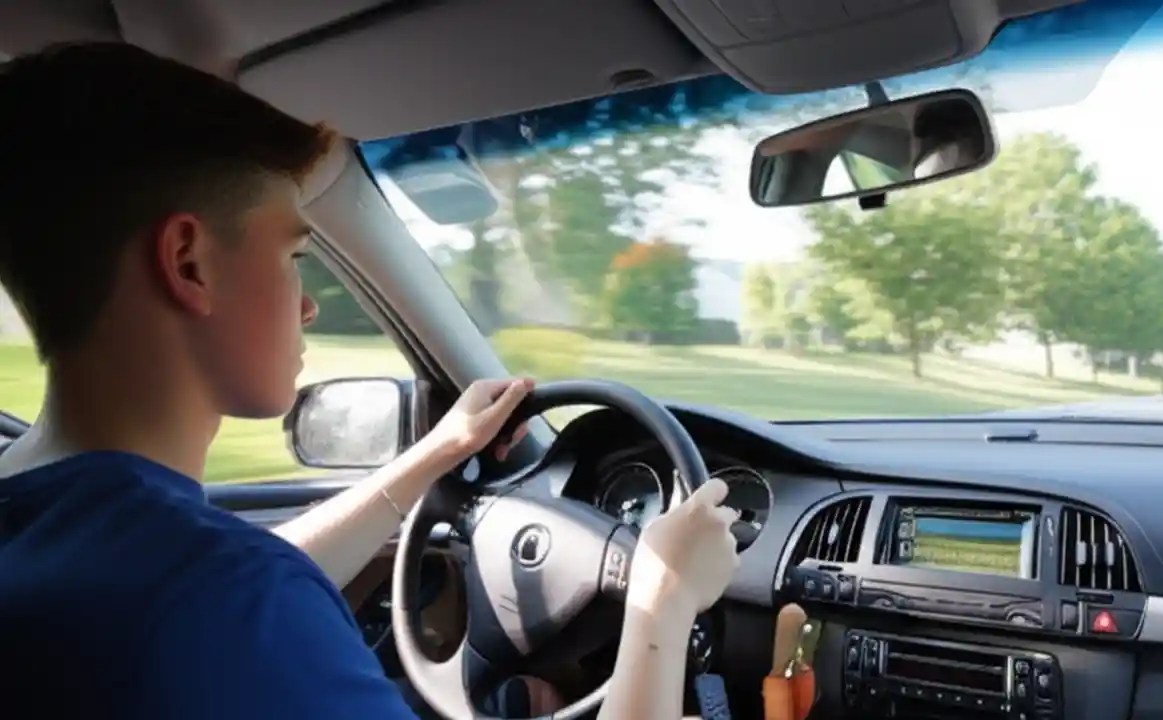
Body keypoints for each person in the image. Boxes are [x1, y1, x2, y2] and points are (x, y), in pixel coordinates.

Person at [0, 42, 740, 719]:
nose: (309, 302)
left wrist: (437, 454)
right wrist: (660, 607)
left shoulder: (68, 537)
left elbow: (228, 578)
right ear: (189, 262)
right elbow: (233, 590)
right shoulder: (226, 604)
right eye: (293, 256)